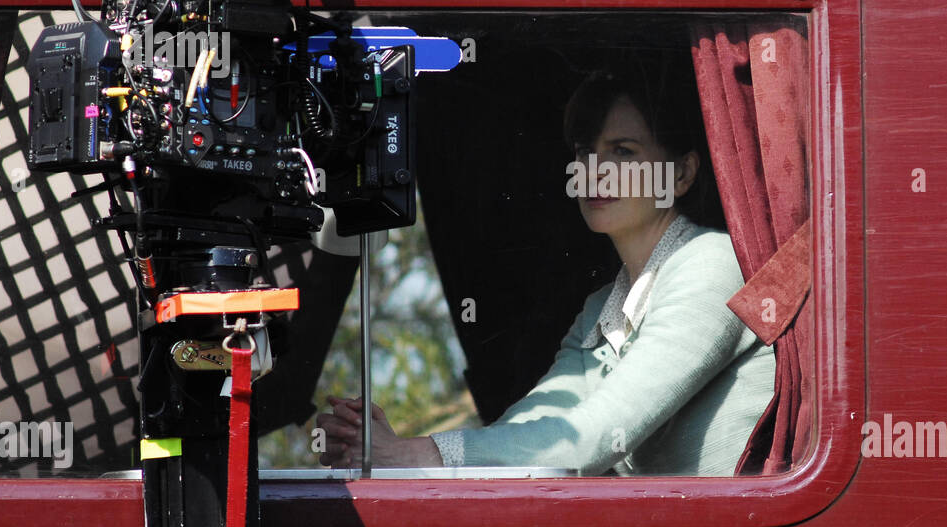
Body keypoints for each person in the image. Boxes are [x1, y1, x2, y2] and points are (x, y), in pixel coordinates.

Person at [317, 67, 775, 475]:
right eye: (584, 150)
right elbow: (537, 427)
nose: (595, 170)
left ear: (680, 174)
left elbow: (592, 437)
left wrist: (417, 455)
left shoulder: (710, 263)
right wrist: (399, 449)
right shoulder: (601, 309)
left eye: (623, 151)